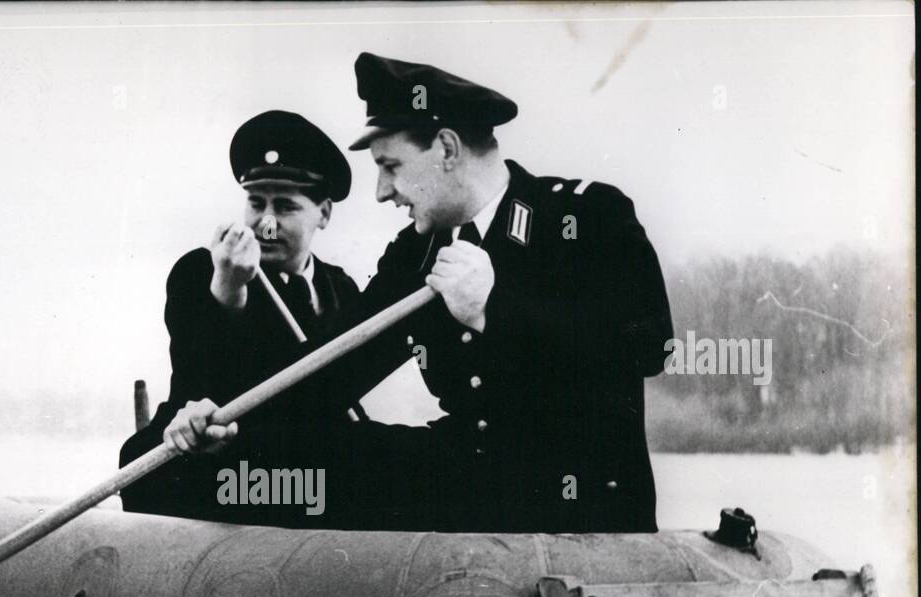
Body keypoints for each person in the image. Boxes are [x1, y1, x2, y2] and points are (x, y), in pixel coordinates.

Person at [168, 53, 674, 534]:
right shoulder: (418, 252)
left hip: (576, 492)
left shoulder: (585, 216)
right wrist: (226, 426)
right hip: (473, 485)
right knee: (310, 453)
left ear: (447, 150)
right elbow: (333, 374)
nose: (381, 191)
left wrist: (493, 310)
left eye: (390, 166)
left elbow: (648, 347)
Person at [119, 110, 362, 524]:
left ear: (323, 213)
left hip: (300, 476)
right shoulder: (202, 270)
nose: (266, 223)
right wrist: (228, 290)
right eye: (256, 203)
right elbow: (199, 383)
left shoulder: (342, 290)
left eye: (284, 206)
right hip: (210, 469)